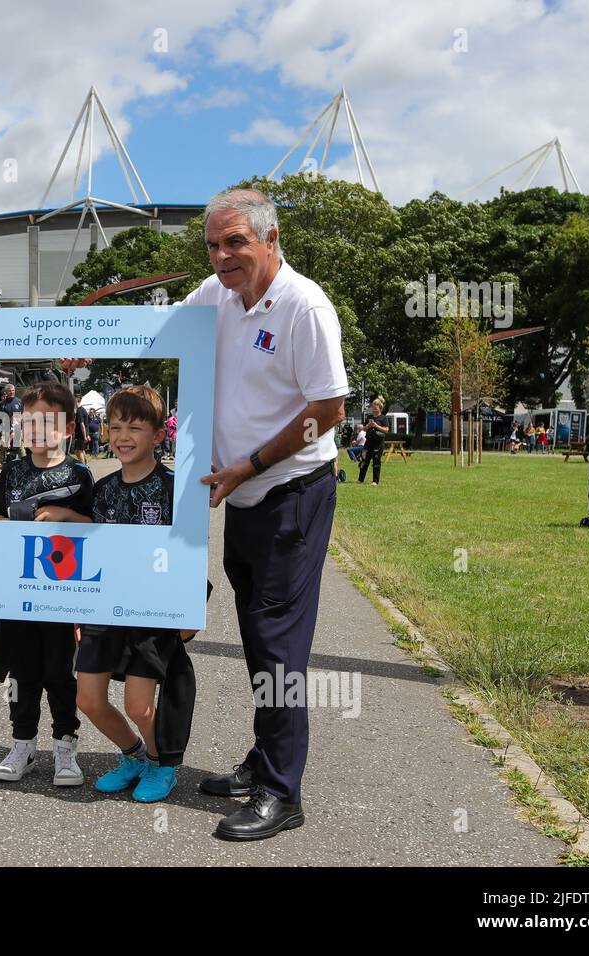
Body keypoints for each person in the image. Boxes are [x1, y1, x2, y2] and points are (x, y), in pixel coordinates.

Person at [183, 188, 347, 841]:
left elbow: (328, 409)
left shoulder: (304, 307)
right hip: (242, 495)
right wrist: (86, 344)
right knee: (258, 636)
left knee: (278, 644)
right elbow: (163, 329)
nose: (222, 257)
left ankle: (282, 792)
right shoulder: (215, 295)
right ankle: (262, 762)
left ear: (270, 240)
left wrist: (250, 463)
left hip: (291, 494)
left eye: (235, 243)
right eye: (214, 245)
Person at [76, 386, 197, 804]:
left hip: (154, 611)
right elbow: (89, 553)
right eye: (115, 427)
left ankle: (163, 764)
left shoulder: (174, 490)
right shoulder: (103, 490)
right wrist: (79, 610)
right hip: (104, 608)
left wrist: (190, 609)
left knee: (140, 705)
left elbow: (191, 554)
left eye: (135, 427)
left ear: (159, 435)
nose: (123, 436)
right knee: (88, 698)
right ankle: (133, 755)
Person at [0, 381, 92, 786]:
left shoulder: (79, 476)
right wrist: (8, 528)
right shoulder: (11, 472)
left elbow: (97, 528)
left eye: (46, 422)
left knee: (61, 673)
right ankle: (22, 743)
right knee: (22, 671)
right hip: (18, 592)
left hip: (64, 593)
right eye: (28, 421)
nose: (35, 429)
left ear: (67, 429)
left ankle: (65, 745)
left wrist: (65, 515)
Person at [0, 385, 21, 474]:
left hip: (16, 430)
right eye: (9, 391)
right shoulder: (1, 405)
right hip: (4, 429)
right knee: (0, 448)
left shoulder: (18, 402)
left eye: (12, 390)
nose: (11, 392)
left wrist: (12, 433)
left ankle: (24, 466)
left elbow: (17, 421)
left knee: (19, 449)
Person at [358, 397, 389, 485]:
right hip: (368, 442)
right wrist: (368, 426)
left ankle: (375, 481)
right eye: (373, 406)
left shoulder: (383, 418)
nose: (374, 408)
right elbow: (364, 429)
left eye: (376, 406)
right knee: (364, 460)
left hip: (378, 444)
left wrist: (376, 425)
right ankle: (360, 479)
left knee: (376, 461)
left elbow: (386, 430)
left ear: (380, 407)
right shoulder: (369, 417)